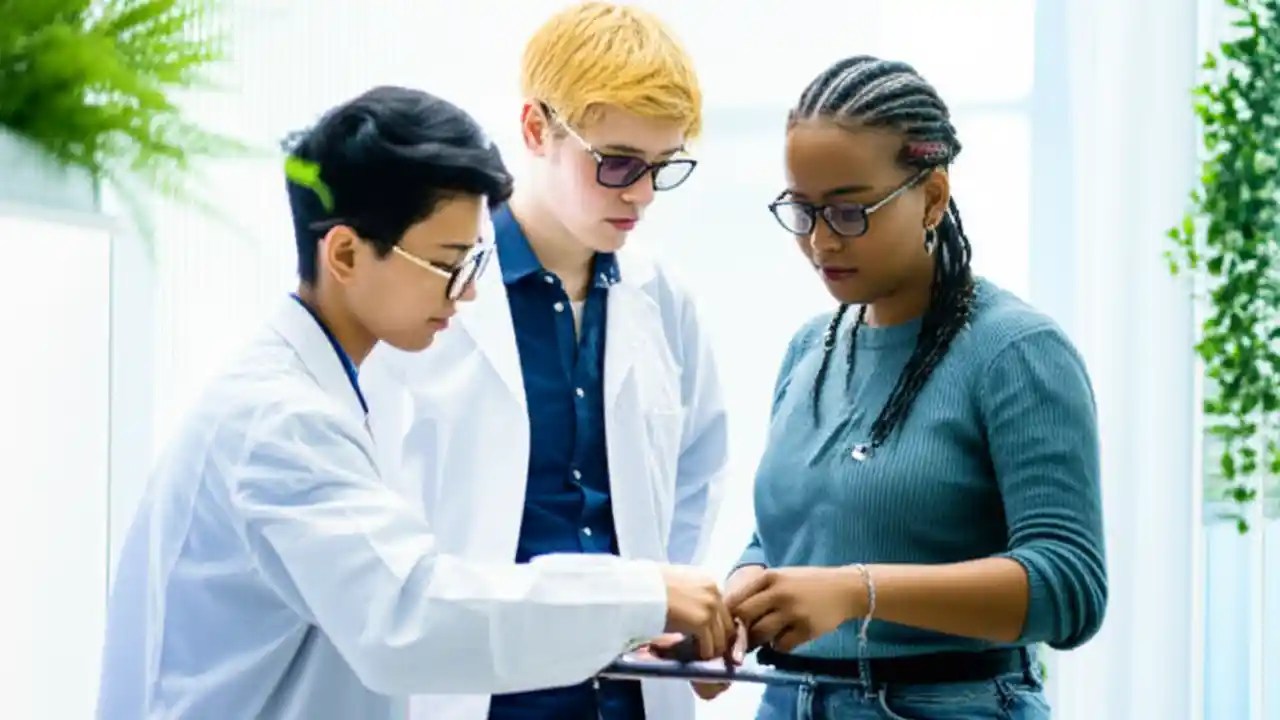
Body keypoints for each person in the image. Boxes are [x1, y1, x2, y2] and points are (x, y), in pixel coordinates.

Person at [95, 85, 735, 720]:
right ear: (345, 253)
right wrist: (645, 592)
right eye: (447, 263)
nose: (467, 295)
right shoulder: (281, 424)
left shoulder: (321, 392)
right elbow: (409, 617)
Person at [707, 56, 1108, 719]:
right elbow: (797, 532)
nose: (819, 241)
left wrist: (859, 591)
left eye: (849, 210)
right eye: (802, 211)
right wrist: (742, 601)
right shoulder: (811, 348)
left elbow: (1070, 587)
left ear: (932, 196)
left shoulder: (1015, 352)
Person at [359, 4, 729, 720]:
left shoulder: (665, 301)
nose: (642, 193)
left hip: (628, 696)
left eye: (663, 167)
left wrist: (666, 607)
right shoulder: (427, 292)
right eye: (617, 162)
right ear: (536, 129)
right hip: (482, 693)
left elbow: (697, 476)